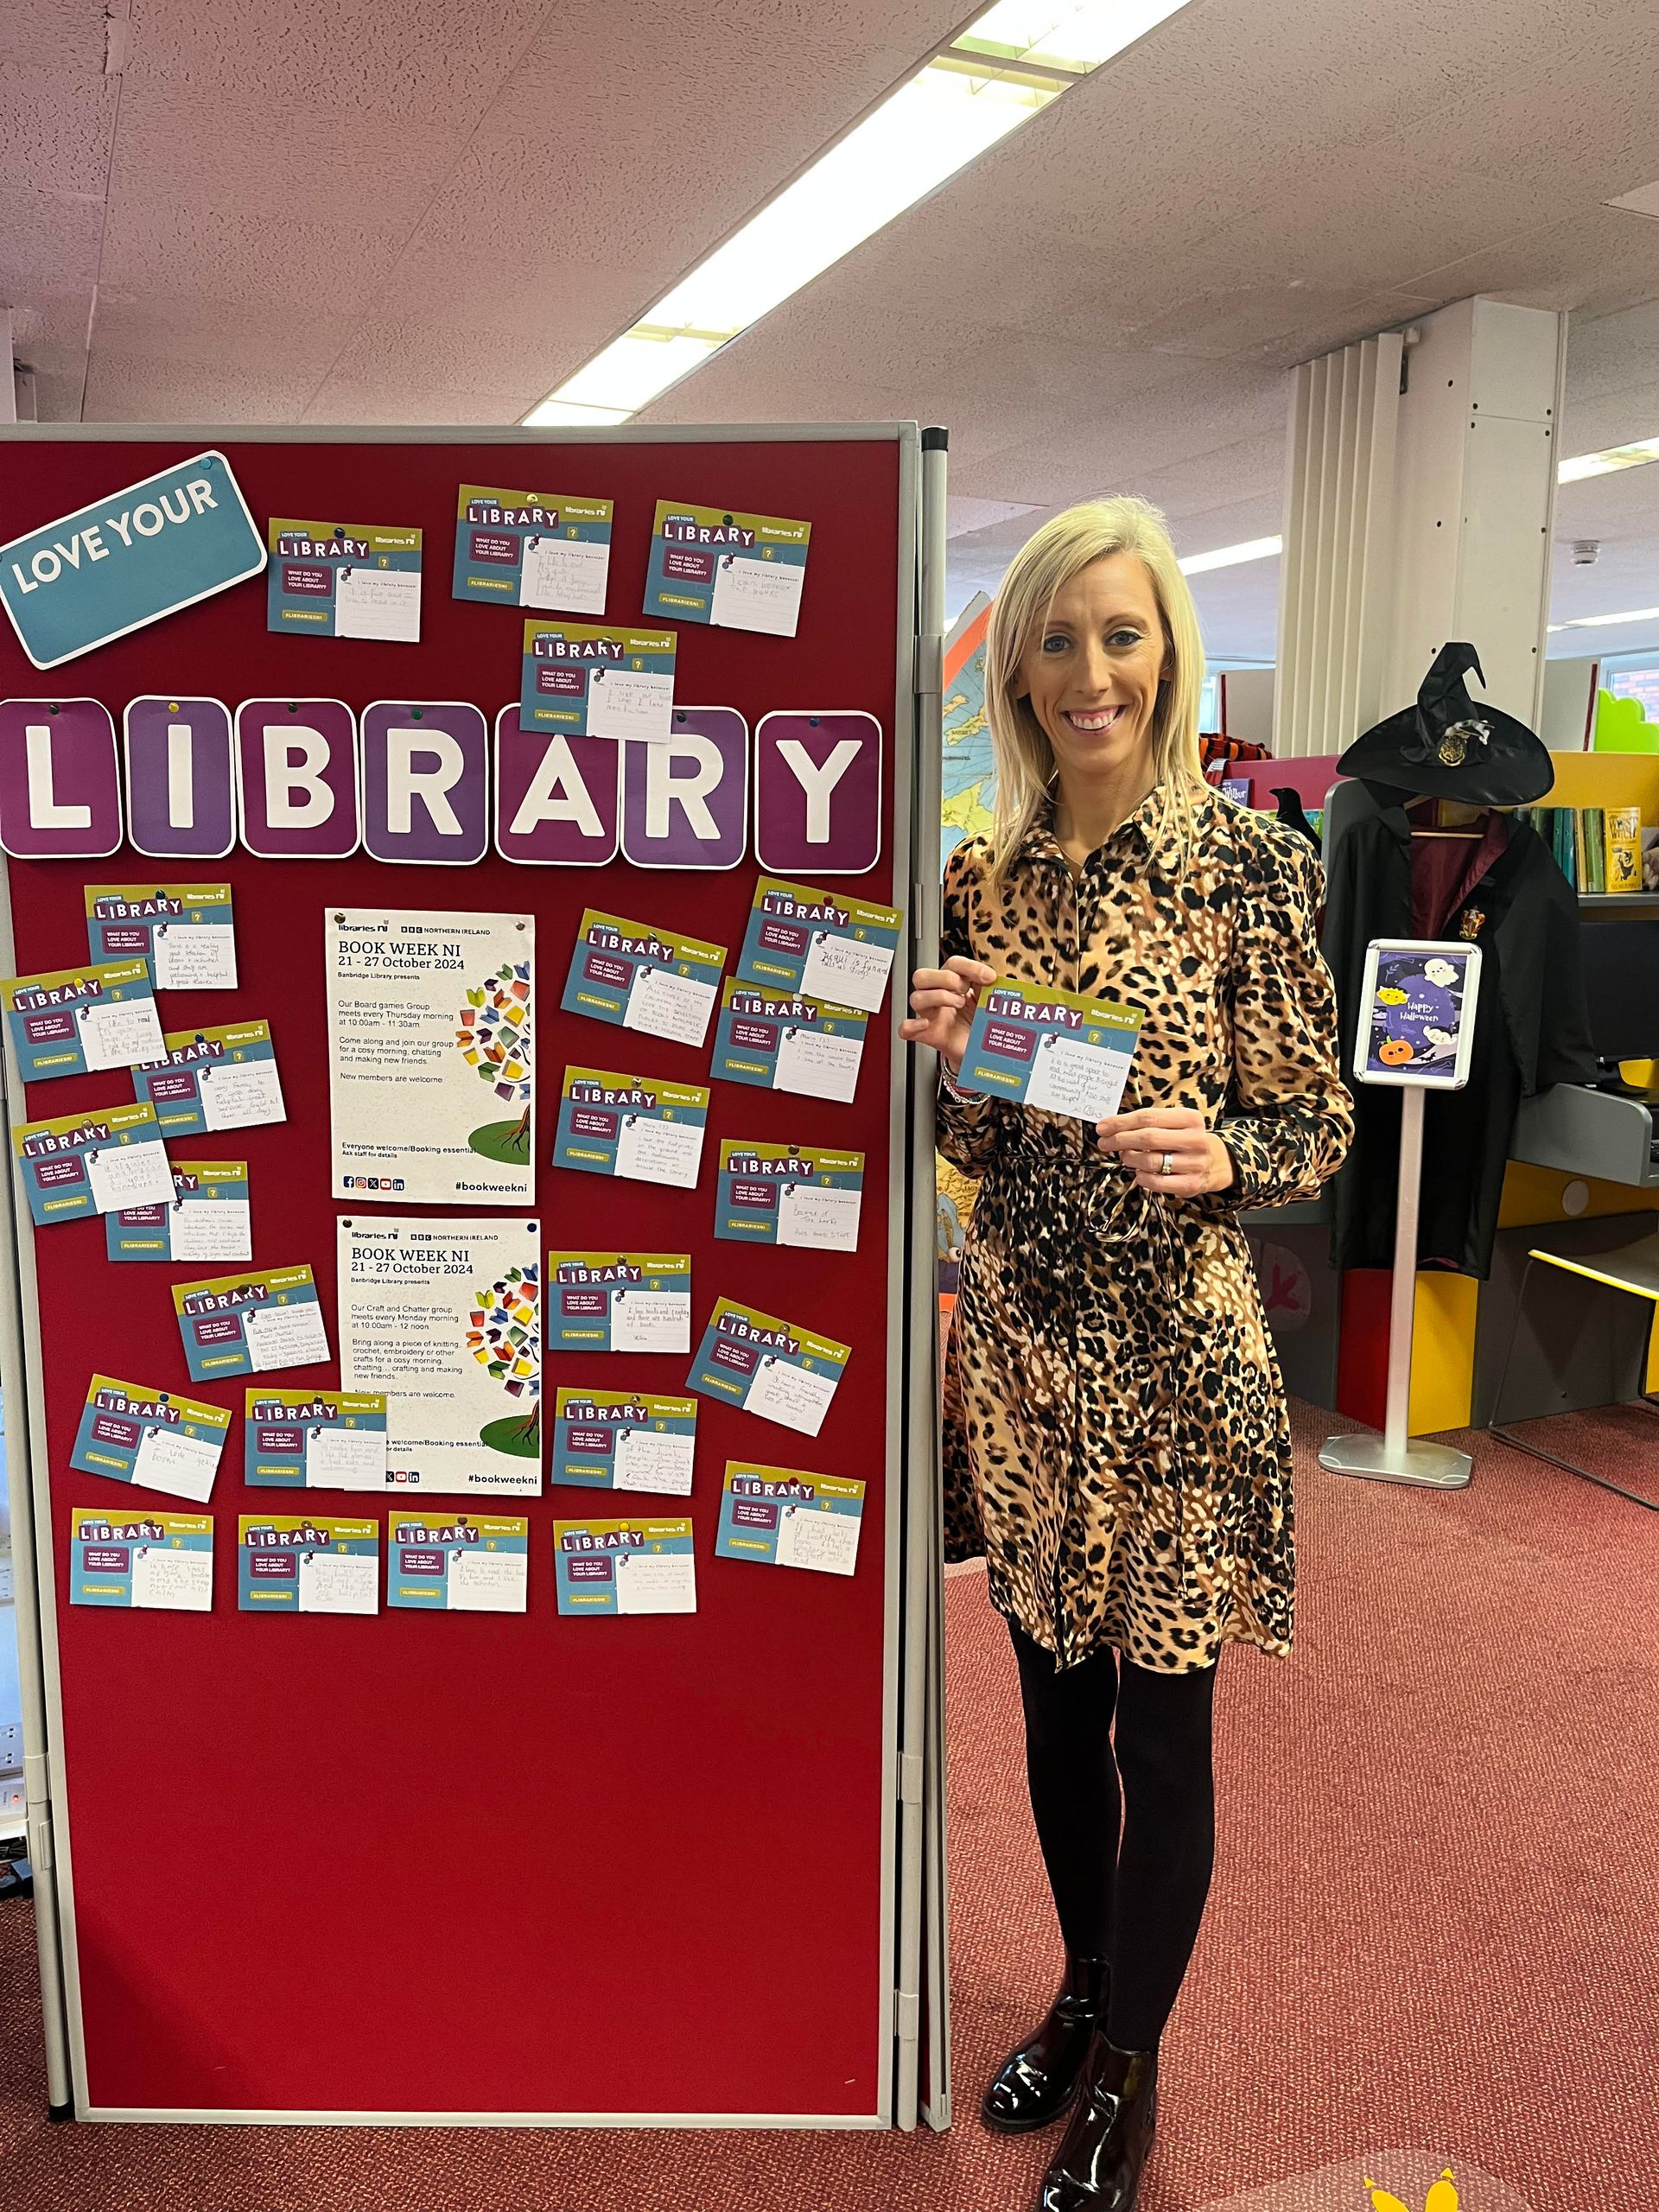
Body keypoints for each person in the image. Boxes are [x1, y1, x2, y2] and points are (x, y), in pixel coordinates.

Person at [900, 498, 1353, 2212]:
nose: (1093, 672)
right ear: (1020, 671)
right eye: (1060, 639)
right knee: (1049, 1710)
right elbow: (979, 1142)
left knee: (1163, 1736)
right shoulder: (981, 881)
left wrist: (1228, 1153)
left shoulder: (1251, 866)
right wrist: (958, 1062)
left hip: (1176, 1367)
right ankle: (1086, 1988)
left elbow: (1314, 1117)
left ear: (1167, 652)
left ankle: (1131, 2071)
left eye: (1123, 633)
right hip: (1025, 1357)